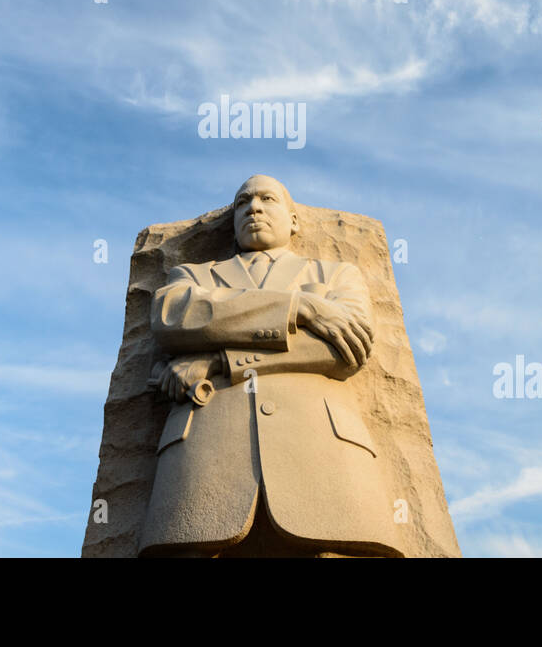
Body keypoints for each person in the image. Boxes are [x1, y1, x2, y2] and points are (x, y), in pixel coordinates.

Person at [137, 175, 402, 557]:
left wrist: (219, 360)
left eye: (267, 199)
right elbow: (174, 318)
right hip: (205, 454)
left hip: (322, 449)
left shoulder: (335, 275)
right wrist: (300, 307)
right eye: (243, 201)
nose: (254, 208)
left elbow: (344, 351)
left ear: (294, 220)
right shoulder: (193, 276)